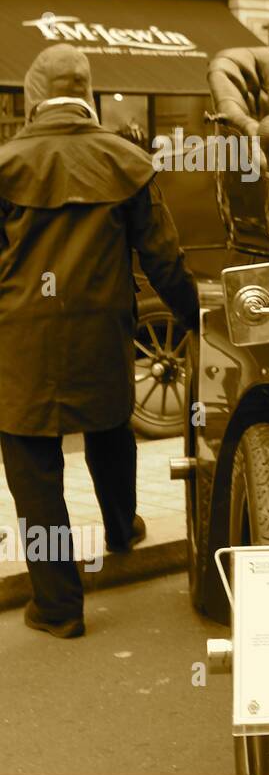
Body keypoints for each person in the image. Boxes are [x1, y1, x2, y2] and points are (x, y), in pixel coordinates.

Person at [0, 45, 198, 638]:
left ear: (34, 98)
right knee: (111, 431)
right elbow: (163, 257)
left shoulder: (6, 163)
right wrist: (196, 321)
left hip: (20, 338)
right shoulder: (126, 160)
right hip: (102, 329)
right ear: (87, 94)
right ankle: (119, 529)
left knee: (34, 468)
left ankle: (58, 607)